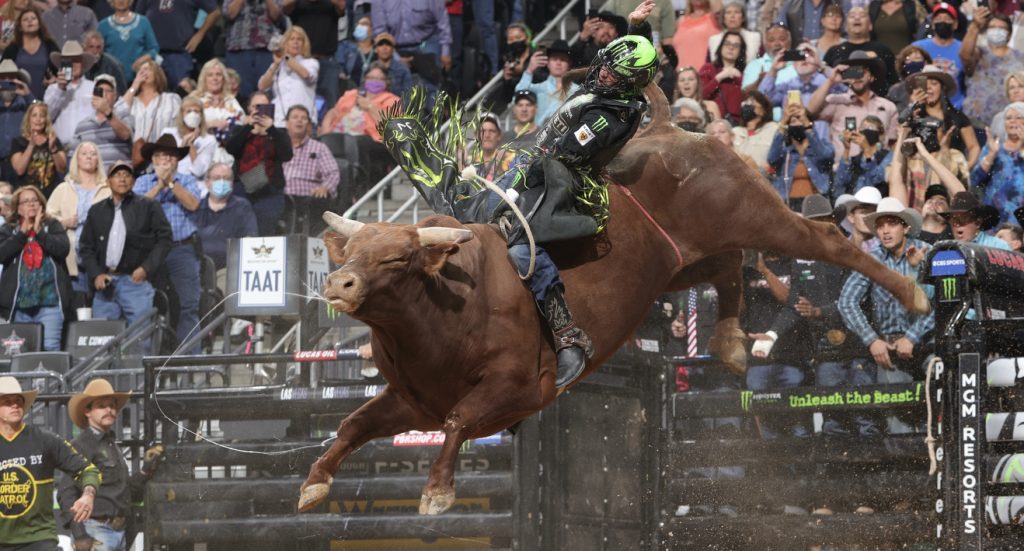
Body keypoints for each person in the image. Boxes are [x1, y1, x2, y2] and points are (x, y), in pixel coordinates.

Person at [386, 0, 659, 389]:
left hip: (565, 181)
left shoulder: (607, 116)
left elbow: (566, 152)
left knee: (519, 245)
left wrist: (526, 163)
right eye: (607, 64)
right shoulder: (614, 87)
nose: (603, 72)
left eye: (614, 73)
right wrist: (636, 27)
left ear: (630, 81)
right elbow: (634, 58)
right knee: (468, 207)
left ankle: (568, 336)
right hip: (540, 164)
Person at [57, 379, 164, 551]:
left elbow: (123, 490)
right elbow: (66, 492)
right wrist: (80, 535)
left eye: (112, 406)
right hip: (95, 530)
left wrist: (145, 470)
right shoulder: (81, 444)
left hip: (114, 531)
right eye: (101, 406)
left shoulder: (110, 444)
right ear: (87, 411)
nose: (109, 410)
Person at [839, 196, 932, 390]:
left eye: (892, 224)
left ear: (905, 228)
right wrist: (872, 340)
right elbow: (846, 301)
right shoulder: (872, 260)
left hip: (928, 343)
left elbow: (940, 300)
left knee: (939, 396)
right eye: (880, 226)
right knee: (893, 403)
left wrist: (912, 337)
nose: (885, 230)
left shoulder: (927, 252)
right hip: (892, 349)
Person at [0, 376, 100, 550]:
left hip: (39, 539)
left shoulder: (46, 440)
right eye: (7, 402)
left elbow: (88, 470)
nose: (15, 405)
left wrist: (88, 495)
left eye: (18, 401)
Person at [132, 135, 202, 351]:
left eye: (171, 156)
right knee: (151, 305)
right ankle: (153, 357)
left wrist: (170, 183)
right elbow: (136, 210)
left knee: (188, 305)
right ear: (153, 159)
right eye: (161, 156)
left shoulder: (187, 180)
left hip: (181, 249)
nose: (166, 160)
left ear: (177, 160)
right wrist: (159, 185)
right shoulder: (143, 182)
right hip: (151, 253)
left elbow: (193, 204)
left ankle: (190, 361)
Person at [79, 160, 171, 325]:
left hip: (135, 282)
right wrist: (96, 274)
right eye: (117, 175)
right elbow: (86, 247)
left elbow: (165, 239)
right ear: (108, 181)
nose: (122, 179)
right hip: (105, 285)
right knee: (103, 336)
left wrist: (146, 268)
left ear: (133, 181)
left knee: (140, 335)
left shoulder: (148, 206)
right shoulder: (97, 210)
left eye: (127, 175)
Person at [0, 186, 71, 350]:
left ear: (41, 205)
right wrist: (22, 233)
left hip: (50, 302)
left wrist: (40, 232)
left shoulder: (52, 225)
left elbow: (63, 249)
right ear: (18, 208)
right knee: (20, 352)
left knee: (50, 348)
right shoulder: (8, 229)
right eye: (26, 201)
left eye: (34, 200)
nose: (31, 204)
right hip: (18, 306)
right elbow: (1, 254)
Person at [46, 142, 110, 303]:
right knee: (78, 307)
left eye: (93, 154)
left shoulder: (108, 188)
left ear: (98, 160)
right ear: (77, 159)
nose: (89, 157)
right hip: (72, 261)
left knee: (102, 307)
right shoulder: (64, 188)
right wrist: (64, 222)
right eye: (84, 153)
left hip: (101, 259)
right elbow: (46, 216)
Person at [808, 50, 899, 162]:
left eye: (861, 72)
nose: (857, 77)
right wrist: (831, 80)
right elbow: (810, 111)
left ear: (871, 77)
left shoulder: (888, 106)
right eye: (852, 72)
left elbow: (892, 144)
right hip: (844, 168)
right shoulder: (836, 101)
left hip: (877, 169)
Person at [222, 92, 292, 237]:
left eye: (264, 107)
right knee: (240, 231)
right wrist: (248, 126)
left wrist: (271, 129)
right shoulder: (240, 130)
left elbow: (287, 155)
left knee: (264, 233)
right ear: (249, 108)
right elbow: (231, 148)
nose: (259, 111)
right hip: (241, 190)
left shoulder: (279, 133)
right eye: (256, 107)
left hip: (270, 192)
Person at [904, 64, 980, 167]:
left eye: (934, 83)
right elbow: (901, 142)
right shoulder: (914, 116)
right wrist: (911, 107)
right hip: (918, 171)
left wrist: (965, 167)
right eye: (924, 84)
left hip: (949, 169)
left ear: (942, 88)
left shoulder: (957, 117)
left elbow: (973, 146)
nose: (928, 88)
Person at [195, 162, 257, 287]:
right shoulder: (196, 207)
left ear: (232, 183)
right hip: (196, 268)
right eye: (217, 178)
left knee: (229, 287)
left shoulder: (242, 206)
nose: (222, 182)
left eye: (226, 178)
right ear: (207, 182)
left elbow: (251, 238)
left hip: (228, 269)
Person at [960, 8, 1024, 128]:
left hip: (1009, 125)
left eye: (1001, 28)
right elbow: (965, 55)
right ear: (986, 31)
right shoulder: (978, 53)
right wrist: (975, 26)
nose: (997, 30)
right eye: (992, 27)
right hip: (976, 123)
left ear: (1009, 34)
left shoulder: (1020, 58)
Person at [135, 0, 220, 86]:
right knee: (148, 90)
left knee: (181, 90)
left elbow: (215, 12)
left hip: (179, 53)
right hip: (151, 54)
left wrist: (199, 35)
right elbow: (137, 18)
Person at [282, 105, 339, 234]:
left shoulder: (319, 148)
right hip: (282, 195)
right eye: (295, 117)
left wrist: (325, 187)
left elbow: (333, 173)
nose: (299, 120)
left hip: (308, 196)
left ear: (308, 124)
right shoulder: (279, 146)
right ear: (286, 123)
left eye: (303, 118)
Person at [767, 101, 834, 209]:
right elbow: (772, 159)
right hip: (790, 205)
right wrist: (783, 122)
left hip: (817, 205)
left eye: (799, 119)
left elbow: (826, 156)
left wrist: (807, 124)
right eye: (792, 121)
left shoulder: (821, 146)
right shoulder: (785, 152)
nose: (796, 123)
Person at [887, 124, 968, 212]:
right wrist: (903, 134)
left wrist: (926, 156)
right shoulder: (909, 221)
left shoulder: (953, 222)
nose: (934, 202)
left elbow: (962, 195)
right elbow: (896, 183)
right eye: (929, 200)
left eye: (941, 202)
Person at [118, 59, 181, 169]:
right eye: (141, 70)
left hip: (164, 161)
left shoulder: (170, 99)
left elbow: (179, 127)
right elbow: (118, 113)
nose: (144, 72)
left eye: (148, 69)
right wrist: (134, 85)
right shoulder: (132, 102)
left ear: (157, 73)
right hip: (136, 162)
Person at [822, 6, 898, 96]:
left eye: (862, 15)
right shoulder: (834, 51)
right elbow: (823, 83)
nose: (857, 18)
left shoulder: (884, 50)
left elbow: (894, 82)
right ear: (845, 26)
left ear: (870, 25)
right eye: (852, 16)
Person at [285, 0, 346, 108]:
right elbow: (285, 5)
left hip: (327, 61)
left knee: (330, 104)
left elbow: (342, 5)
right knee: (299, 104)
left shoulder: (330, 4)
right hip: (301, 62)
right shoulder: (298, 4)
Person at [258, 25, 319, 128]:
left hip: (303, 121)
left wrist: (285, 56)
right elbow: (262, 86)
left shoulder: (311, 63)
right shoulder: (278, 65)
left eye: (299, 39)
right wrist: (276, 64)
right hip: (279, 121)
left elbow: (305, 75)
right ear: (285, 44)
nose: (296, 42)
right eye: (292, 39)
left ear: (304, 44)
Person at [971, 106, 1024, 226]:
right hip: (995, 217)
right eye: (1008, 118)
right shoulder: (992, 148)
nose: (1012, 121)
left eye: (1018, 117)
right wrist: (991, 154)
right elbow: (975, 181)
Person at [69, 73, 132, 172]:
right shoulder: (82, 126)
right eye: (100, 90)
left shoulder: (124, 116)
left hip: (118, 177)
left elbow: (126, 135)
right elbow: (73, 158)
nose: (104, 94)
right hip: (92, 178)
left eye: (108, 91)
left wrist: (108, 112)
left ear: (115, 96)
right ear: (93, 95)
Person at [223, 0, 284, 101]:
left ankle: (265, 111)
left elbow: (277, 16)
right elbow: (229, 14)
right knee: (239, 89)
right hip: (238, 48)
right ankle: (241, 111)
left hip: (266, 49)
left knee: (267, 91)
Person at [911, 2, 964, 109]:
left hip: (956, 107)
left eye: (947, 18)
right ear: (932, 23)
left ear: (955, 24)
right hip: (925, 107)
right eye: (938, 18)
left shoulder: (963, 49)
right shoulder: (918, 47)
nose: (942, 21)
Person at [44, 40, 97, 145]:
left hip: (87, 147)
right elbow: (47, 116)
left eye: (76, 61)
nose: (73, 65)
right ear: (62, 65)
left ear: (82, 64)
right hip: (60, 148)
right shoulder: (52, 89)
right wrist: (60, 89)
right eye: (68, 62)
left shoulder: (93, 87)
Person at [95, 0, 159, 84]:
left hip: (138, 78)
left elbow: (154, 48)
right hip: (112, 79)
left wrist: (141, 60)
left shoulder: (143, 22)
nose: (121, 1)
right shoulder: (103, 25)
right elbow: (97, 51)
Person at [516, 39, 578, 126]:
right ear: (548, 63)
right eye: (554, 59)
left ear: (569, 63)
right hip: (540, 132)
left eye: (563, 59)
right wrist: (529, 70)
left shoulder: (578, 91)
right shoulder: (538, 89)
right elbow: (517, 96)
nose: (558, 63)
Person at [2, 7, 59, 100]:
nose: (30, 21)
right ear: (20, 27)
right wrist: (12, 89)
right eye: (25, 19)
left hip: (46, 100)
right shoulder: (12, 48)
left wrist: (56, 80)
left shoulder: (49, 45)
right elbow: (2, 77)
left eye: (33, 18)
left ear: (39, 24)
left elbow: (65, 68)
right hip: (19, 102)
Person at [11, 102, 66, 196]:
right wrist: (31, 145)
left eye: (42, 116)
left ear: (46, 120)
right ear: (28, 119)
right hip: (28, 194)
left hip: (50, 194)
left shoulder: (53, 140)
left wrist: (53, 148)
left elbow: (62, 169)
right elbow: (19, 170)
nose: (38, 119)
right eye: (34, 115)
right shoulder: (18, 142)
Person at [160, 96, 217, 182]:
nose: (193, 114)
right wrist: (182, 146)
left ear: (201, 115)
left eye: (196, 111)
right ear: (182, 114)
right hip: (169, 180)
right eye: (189, 111)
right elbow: (163, 163)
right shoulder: (168, 133)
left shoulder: (209, 140)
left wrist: (191, 145)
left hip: (193, 183)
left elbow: (199, 171)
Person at [189, 59, 245, 144]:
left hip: (229, 146)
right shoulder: (195, 99)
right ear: (204, 79)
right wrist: (211, 124)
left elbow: (242, 121)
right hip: (202, 145)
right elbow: (187, 125)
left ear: (224, 78)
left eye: (218, 74)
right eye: (210, 75)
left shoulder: (230, 100)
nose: (215, 78)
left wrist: (229, 124)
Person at [835, 115, 890, 195]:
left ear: (881, 135)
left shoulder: (887, 157)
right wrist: (846, 149)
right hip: (853, 200)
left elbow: (875, 179)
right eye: (862, 127)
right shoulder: (856, 159)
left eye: (870, 127)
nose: (865, 130)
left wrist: (867, 150)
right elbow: (840, 182)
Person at [699, 30, 746, 123]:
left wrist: (740, 78)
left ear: (741, 51)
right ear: (721, 46)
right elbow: (700, 95)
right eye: (727, 43)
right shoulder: (708, 68)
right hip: (711, 121)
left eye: (736, 45)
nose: (731, 48)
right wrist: (719, 78)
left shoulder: (744, 74)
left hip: (736, 124)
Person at [940, 191, 1010, 250]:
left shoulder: (998, 247)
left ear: (978, 222)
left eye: (963, 219)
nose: (957, 224)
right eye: (953, 220)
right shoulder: (945, 250)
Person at [0, 59, 31, 183]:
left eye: (11, 78)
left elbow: (41, 112)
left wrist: (28, 95)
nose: (7, 82)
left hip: (21, 162)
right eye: (3, 78)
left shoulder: (26, 103)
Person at [461, 113, 516, 182]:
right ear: (476, 135)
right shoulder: (470, 161)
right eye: (482, 131)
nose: (487, 135)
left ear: (499, 135)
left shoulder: (511, 159)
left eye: (491, 131)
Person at [733, 91, 778, 171]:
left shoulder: (773, 129)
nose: (746, 105)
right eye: (745, 102)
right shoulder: (735, 131)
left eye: (752, 102)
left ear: (763, 111)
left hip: (762, 175)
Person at [743, 23, 794, 90]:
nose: (777, 44)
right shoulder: (754, 65)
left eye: (782, 39)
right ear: (765, 44)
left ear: (790, 42)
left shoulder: (799, 63)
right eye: (771, 40)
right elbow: (745, 94)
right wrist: (759, 81)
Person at [673, 0, 720, 71]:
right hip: (681, 74)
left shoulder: (713, 18)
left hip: (704, 73)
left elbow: (719, 9)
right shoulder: (681, 21)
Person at [368, 31, 413, 98]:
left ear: (393, 50)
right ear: (375, 49)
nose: (384, 48)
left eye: (388, 44)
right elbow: (363, 90)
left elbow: (409, 95)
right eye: (380, 44)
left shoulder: (403, 70)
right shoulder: (370, 69)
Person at [888, 45, 932, 112]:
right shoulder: (896, 90)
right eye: (908, 60)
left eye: (917, 58)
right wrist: (911, 104)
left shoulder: (935, 86)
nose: (913, 62)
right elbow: (893, 113)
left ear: (926, 62)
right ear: (903, 65)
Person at [774, 0, 839, 45]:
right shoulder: (791, 3)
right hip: (797, 52)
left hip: (827, 52)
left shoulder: (836, 3)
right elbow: (778, 27)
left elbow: (844, 30)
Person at [336, 14, 373, 91]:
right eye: (358, 24)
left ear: (372, 30)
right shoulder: (345, 47)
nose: (359, 26)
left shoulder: (378, 48)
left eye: (364, 24)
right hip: (351, 89)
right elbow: (339, 66)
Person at [991, 71, 1024, 143]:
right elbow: (992, 144)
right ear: (1008, 92)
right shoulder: (998, 118)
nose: (1016, 91)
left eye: (1021, 86)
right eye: (1012, 88)